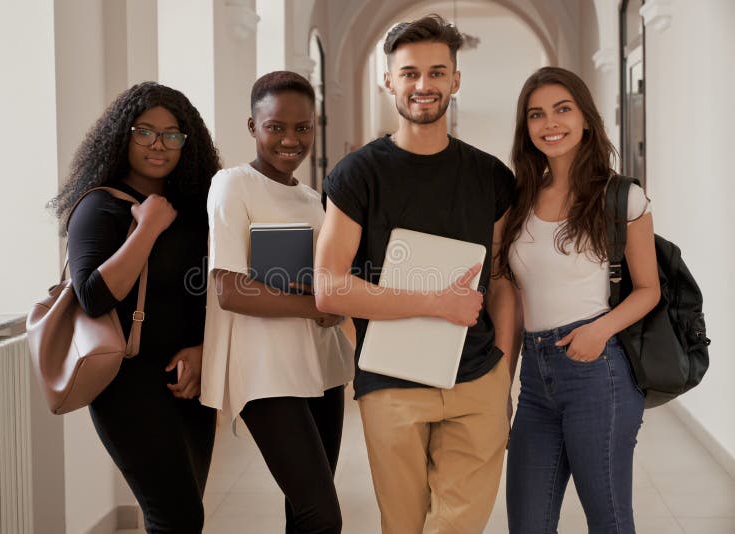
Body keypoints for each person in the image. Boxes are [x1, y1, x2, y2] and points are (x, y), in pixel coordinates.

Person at [314, 15, 518, 534]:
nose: (422, 85)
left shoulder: (490, 175)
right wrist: (436, 303)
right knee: (402, 525)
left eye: (435, 72)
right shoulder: (358, 174)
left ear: (454, 79)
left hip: (477, 380)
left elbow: (500, 280)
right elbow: (329, 287)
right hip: (391, 384)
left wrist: (503, 376)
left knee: (459, 526)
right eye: (409, 73)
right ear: (389, 81)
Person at [50, 82, 221, 533]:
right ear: (122, 136)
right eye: (144, 132)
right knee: (177, 517)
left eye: (171, 134)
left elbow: (210, 293)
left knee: (183, 513)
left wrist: (204, 350)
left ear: (188, 142)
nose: (158, 145)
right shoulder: (99, 207)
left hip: (189, 379)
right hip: (127, 385)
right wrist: (146, 228)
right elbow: (93, 296)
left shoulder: (198, 208)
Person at [498, 66, 660, 534]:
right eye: (537, 114)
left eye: (562, 109)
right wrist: (503, 386)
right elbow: (513, 296)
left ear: (585, 118)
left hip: (598, 371)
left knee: (608, 520)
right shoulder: (520, 198)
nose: (550, 123)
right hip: (535, 378)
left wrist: (599, 330)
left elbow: (649, 289)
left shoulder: (621, 197)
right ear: (526, 128)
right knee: (528, 523)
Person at [201, 71, 354, 534]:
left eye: (303, 128)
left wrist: (339, 295)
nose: (291, 139)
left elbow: (325, 278)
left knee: (304, 509)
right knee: (322, 515)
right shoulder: (233, 185)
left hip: (322, 364)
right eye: (276, 127)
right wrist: (316, 306)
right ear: (253, 127)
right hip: (267, 372)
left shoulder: (313, 199)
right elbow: (229, 288)